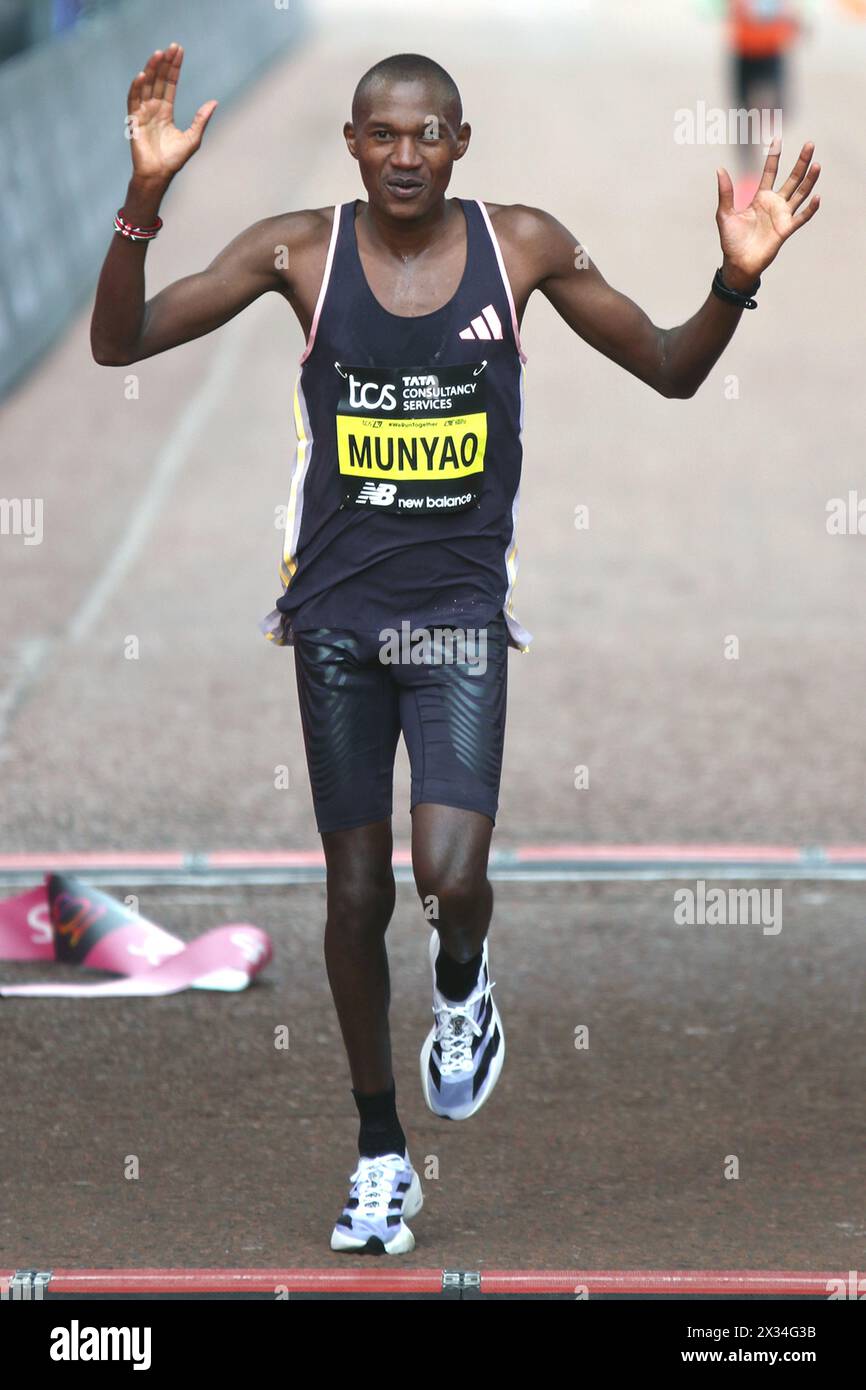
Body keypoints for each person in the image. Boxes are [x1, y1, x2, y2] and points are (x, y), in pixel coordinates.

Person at [90, 43, 821, 1255]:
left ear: (462, 143)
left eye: (427, 135)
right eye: (381, 134)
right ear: (351, 145)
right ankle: (381, 1150)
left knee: (450, 873)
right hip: (329, 623)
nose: (404, 156)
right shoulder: (299, 251)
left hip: (458, 622)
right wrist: (146, 199)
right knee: (356, 893)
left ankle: (463, 981)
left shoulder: (521, 245)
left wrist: (733, 281)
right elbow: (121, 344)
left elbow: (668, 368)